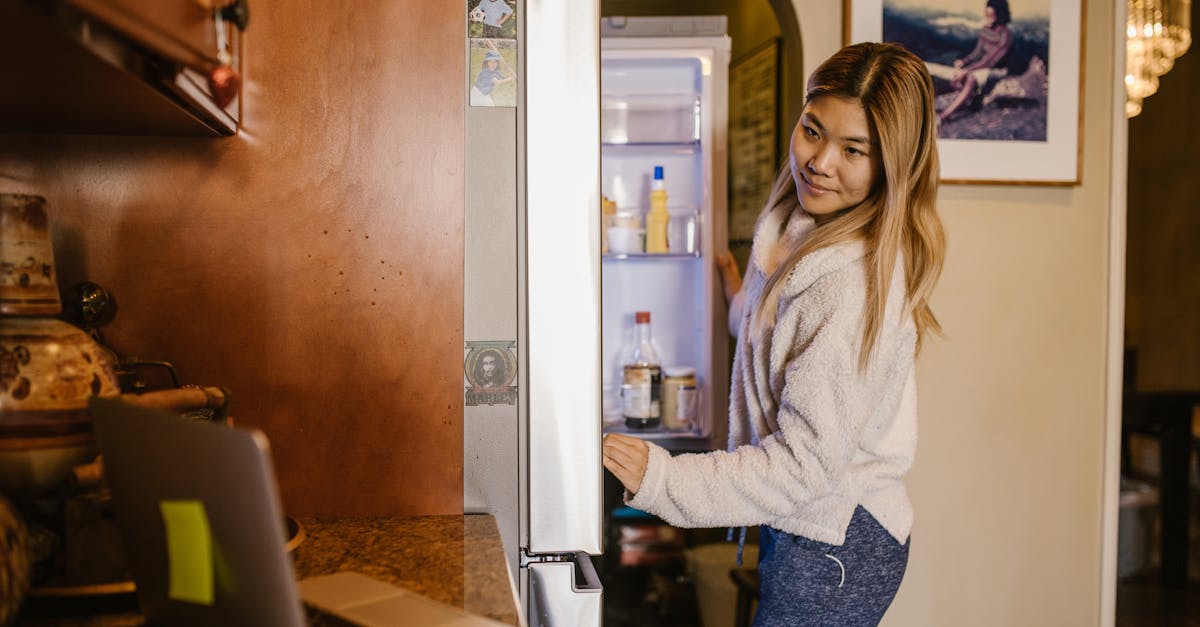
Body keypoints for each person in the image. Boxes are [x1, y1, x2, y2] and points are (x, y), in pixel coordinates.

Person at [602, 42, 945, 626]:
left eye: (853, 150)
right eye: (813, 130)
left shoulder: (850, 287)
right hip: (812, 522)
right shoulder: (803, 230)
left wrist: (662, 478)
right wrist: (742, 301)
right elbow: (787, 341)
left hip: (839, 539)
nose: (821, 161)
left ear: (891, 165)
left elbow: (801, 466)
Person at [927, 0, 1014, 122]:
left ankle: (942, 117)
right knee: (930, 68)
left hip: (997, 70)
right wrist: (963, 61)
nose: (987, 18)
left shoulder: (1006, 35)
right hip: (981, 67)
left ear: (1000, 15)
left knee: (971, 77)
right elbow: (977, 53)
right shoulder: (985, 30)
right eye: (986, 14)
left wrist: (966, 70)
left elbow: (990, 61)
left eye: (991, 15)